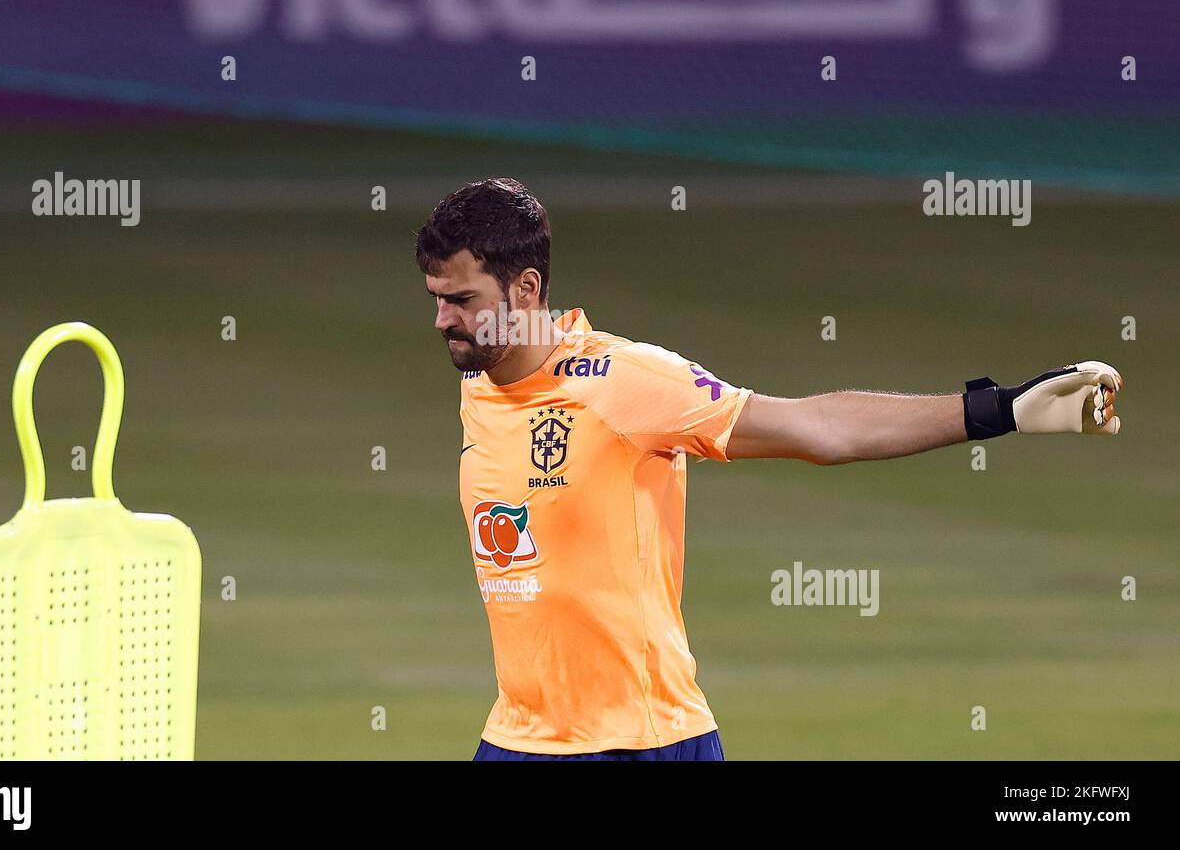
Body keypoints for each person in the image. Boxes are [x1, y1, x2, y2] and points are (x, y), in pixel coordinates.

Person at [415, 177, 1123, 761]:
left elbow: (817, 428)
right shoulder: (482, 381)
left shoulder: (625, 381)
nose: (443, 320)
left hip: (641, 740)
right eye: (436, 299)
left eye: (462, 300)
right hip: (516, 738)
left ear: (528, 289)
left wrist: (1003, 408)